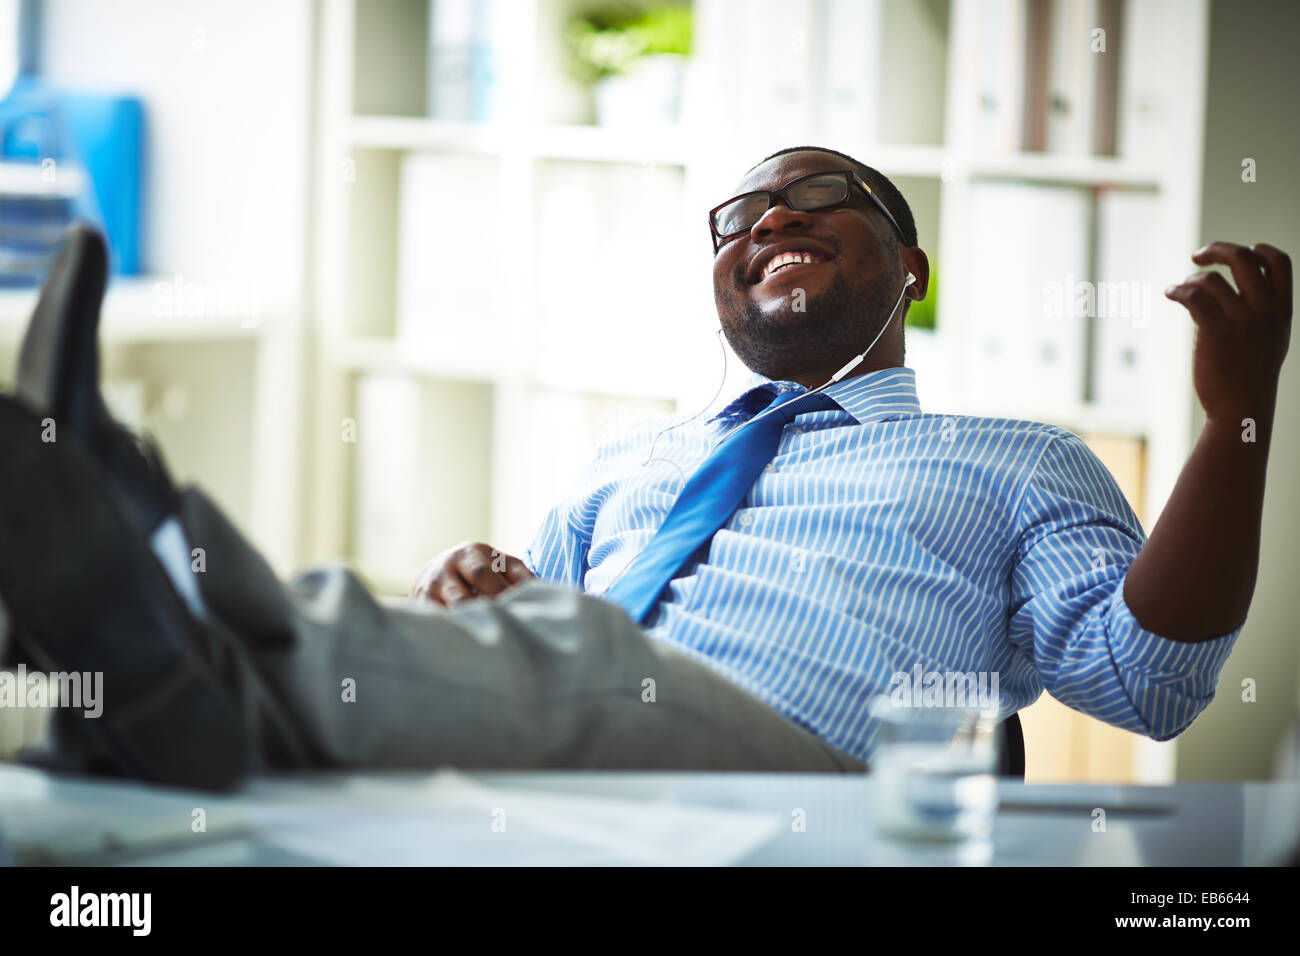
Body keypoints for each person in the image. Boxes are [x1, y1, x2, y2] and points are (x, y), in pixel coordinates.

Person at [0, 147, 1290, 792]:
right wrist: (473, 590)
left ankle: (139, 545)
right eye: (739, 219)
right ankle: (136, 688)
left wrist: (1236, 421)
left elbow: (1151, 680)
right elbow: (509, 652)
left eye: (820, 196)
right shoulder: (633, 465)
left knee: (581, 661)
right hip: (585, 748)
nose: (772, 219)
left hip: (812, 792)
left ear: (914, 271)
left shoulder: (1014, 463)